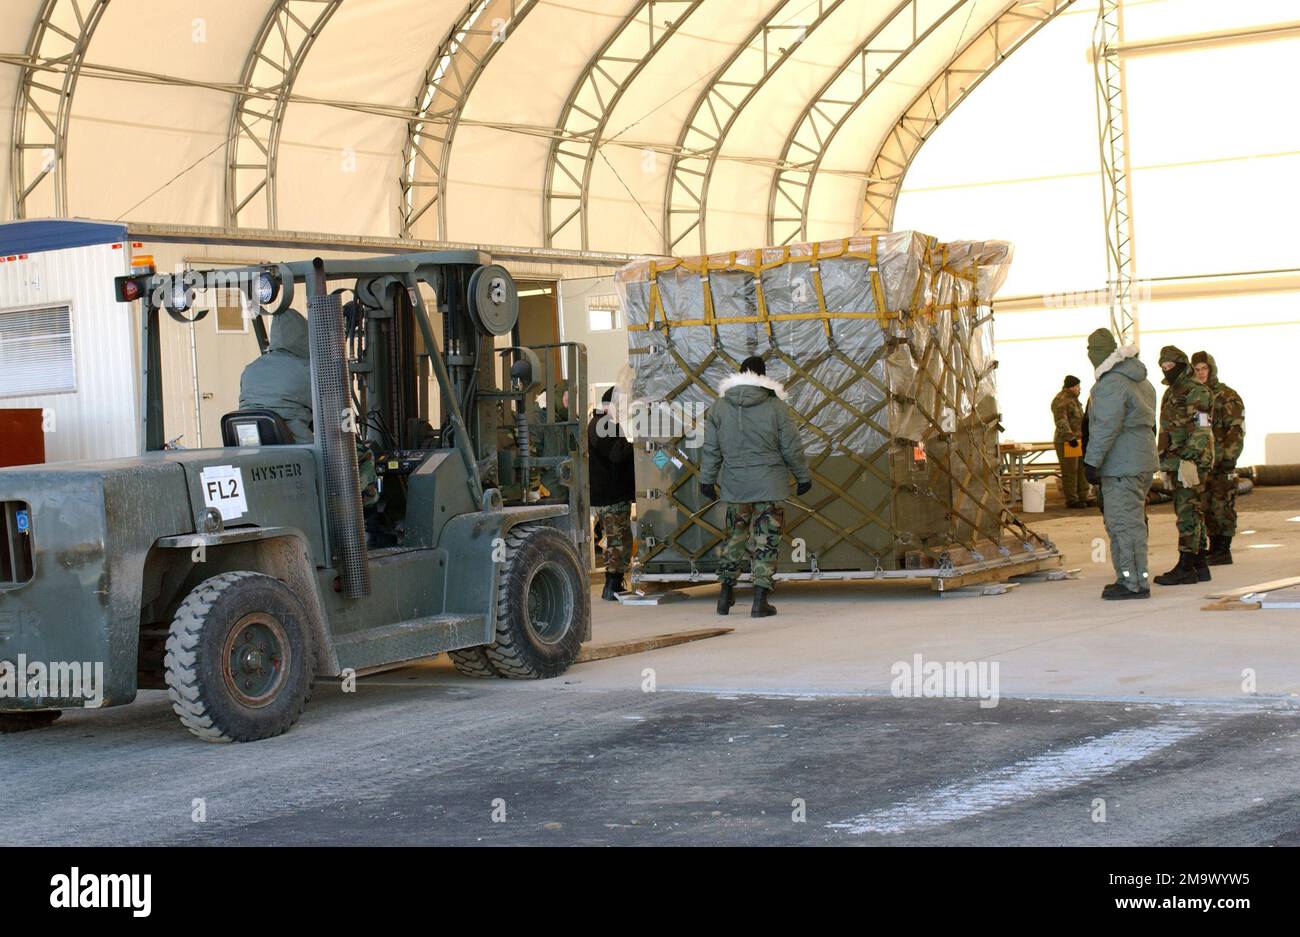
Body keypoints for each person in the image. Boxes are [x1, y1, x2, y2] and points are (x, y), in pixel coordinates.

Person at [699, 356, 811, 618]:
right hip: (769, 484)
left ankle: (725, 595)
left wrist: (707, 480)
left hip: (735, 485)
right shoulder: (775, 407)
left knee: (735, 538)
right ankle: (760, 600)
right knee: (766, 540)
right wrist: (802, 476)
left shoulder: (718, 408)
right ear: (763, 377)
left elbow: (711, 450)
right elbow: (791, 447)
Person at [239, 308, 378, 510]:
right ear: (303, 335)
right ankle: (355, 513)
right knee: (361, 455)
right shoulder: (308, 372)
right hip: (298, 451)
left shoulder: (250, 370)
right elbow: (333, 414)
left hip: (259, 453)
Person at [1081, 329, 1158, 599]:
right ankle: (1137, 578)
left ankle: (1131, 582)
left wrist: (1091, 462)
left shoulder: (1111, 383)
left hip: (1121, 466)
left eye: (1091, 349)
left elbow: (1105, 427)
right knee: (1134, 523)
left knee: (1123, 525)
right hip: (1140, 461)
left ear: (1098, 353)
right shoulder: (1141, 381)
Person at [1152, 345, 1215, 585]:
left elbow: (1202, 427)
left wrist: (1188, 458)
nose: (1167, 370)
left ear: (1181, 364)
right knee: (1190, 510)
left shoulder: (1197, 391)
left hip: (1191, 461)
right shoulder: (1170, 392)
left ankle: (1186, 565)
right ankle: (1199, 564)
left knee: (1187, 512)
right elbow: (1166, 430)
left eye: (1170, 366)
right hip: (1175, 461)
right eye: (1164, 367)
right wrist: (1164, 462)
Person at [1191, 351, 1245, 565]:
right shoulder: (1196, 397)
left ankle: (1223, 549)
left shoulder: (1226, 396)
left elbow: (1236, 430)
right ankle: (1214, 547)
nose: (1200, 372)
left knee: (1223, 506)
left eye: (1204, 368)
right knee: (1206, 506)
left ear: (1211, 369)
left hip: (1222, 462)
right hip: (1203, 463)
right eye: (1196, 369)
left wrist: (1228, 458)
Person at [588, 386, 635, 600]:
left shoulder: (603, 424)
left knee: (621, 539)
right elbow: (617, 454)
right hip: (610, 494)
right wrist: (636, 446)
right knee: (618, 541)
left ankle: (614, 583)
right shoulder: (601, 425)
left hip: (613, 493)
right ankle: (612, 585)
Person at [1051, 375, 1089, 508]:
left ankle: (1084, 496)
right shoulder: (1061, 400)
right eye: (1077, 386)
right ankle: (1072, 499)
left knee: (1081, 470)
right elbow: (1061, 420)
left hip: (1078, 440)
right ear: (1071, 387)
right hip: (1067, 441)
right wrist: (1070, 437)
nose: (1079, 389)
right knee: (1070, 471)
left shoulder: (1074, 400)